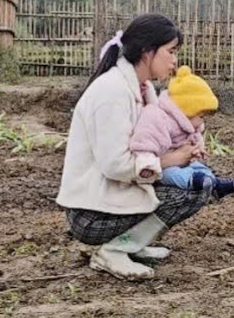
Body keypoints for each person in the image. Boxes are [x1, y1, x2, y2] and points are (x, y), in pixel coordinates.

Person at [56, 14, 220, 280]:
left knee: (198, 183)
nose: (175, 60)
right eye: (171, 51)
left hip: (113, 197)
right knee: (189, 191)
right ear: (147, 52)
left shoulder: (142, 89)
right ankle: (115, 249)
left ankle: (132, 243)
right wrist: (173, 159)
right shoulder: (112, 92)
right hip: (92, 214)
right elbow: (116, 165)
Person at [130, 65, 234, 198]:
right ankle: (195, 181)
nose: (202, 122)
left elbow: (194, 140)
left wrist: (197, 150)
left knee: (200, 168)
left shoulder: (188, 124)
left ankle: (215, 185)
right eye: (201, 116)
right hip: (163, 168)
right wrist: (147, 164)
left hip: (184, 163)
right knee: (173, 174)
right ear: (187, 110)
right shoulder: (159, 118)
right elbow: (145, 142)